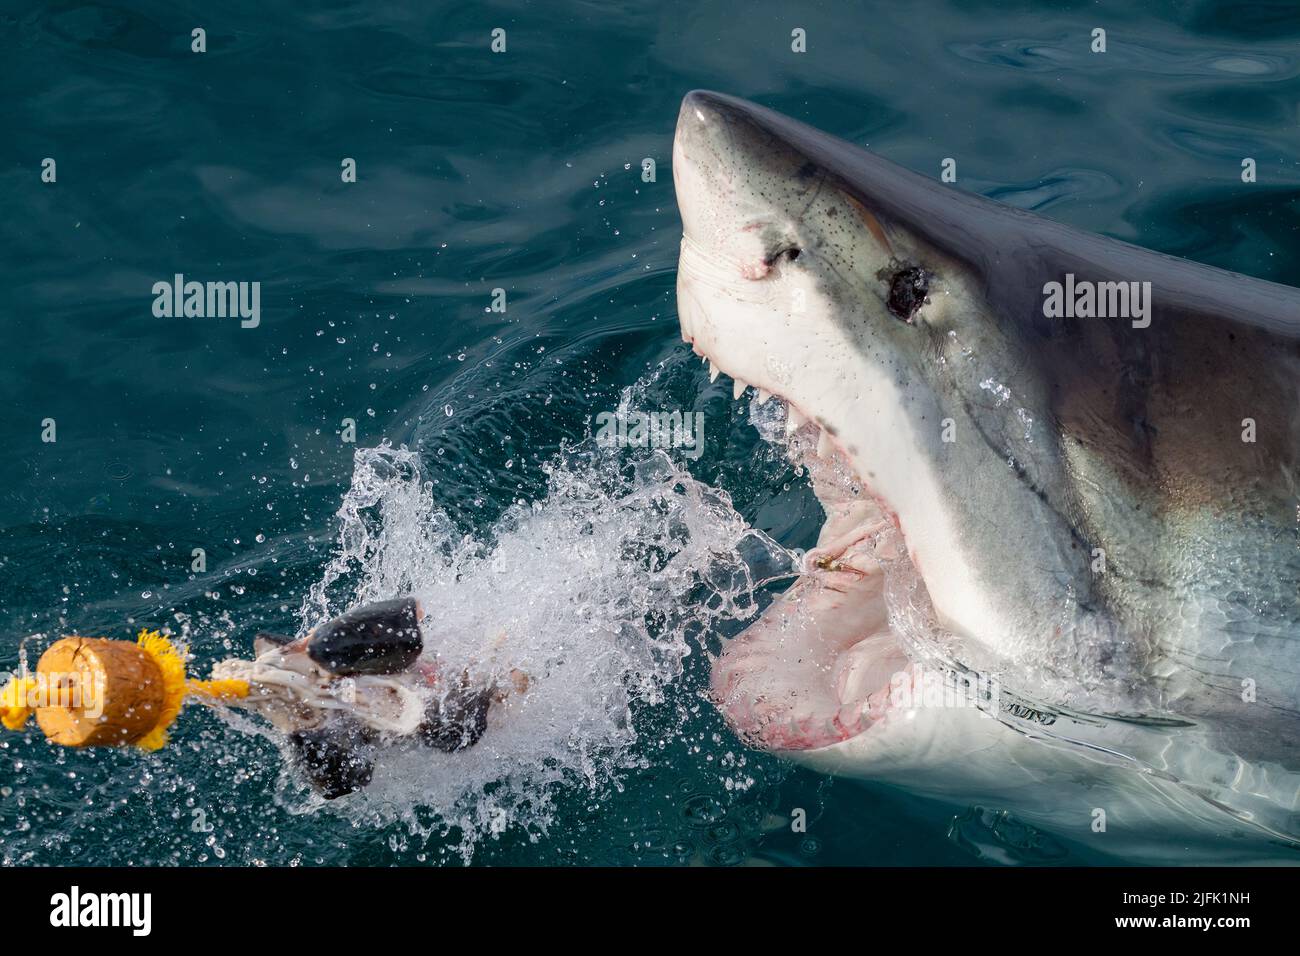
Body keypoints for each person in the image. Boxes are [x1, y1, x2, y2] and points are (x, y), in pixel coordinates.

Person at [251, 597, 525, 799]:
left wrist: (323, 639)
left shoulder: (318, 660)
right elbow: (339, 784)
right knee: (450, 729)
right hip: (434, 716)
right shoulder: (433, 721)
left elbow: (415, 609)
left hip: (428, 689)